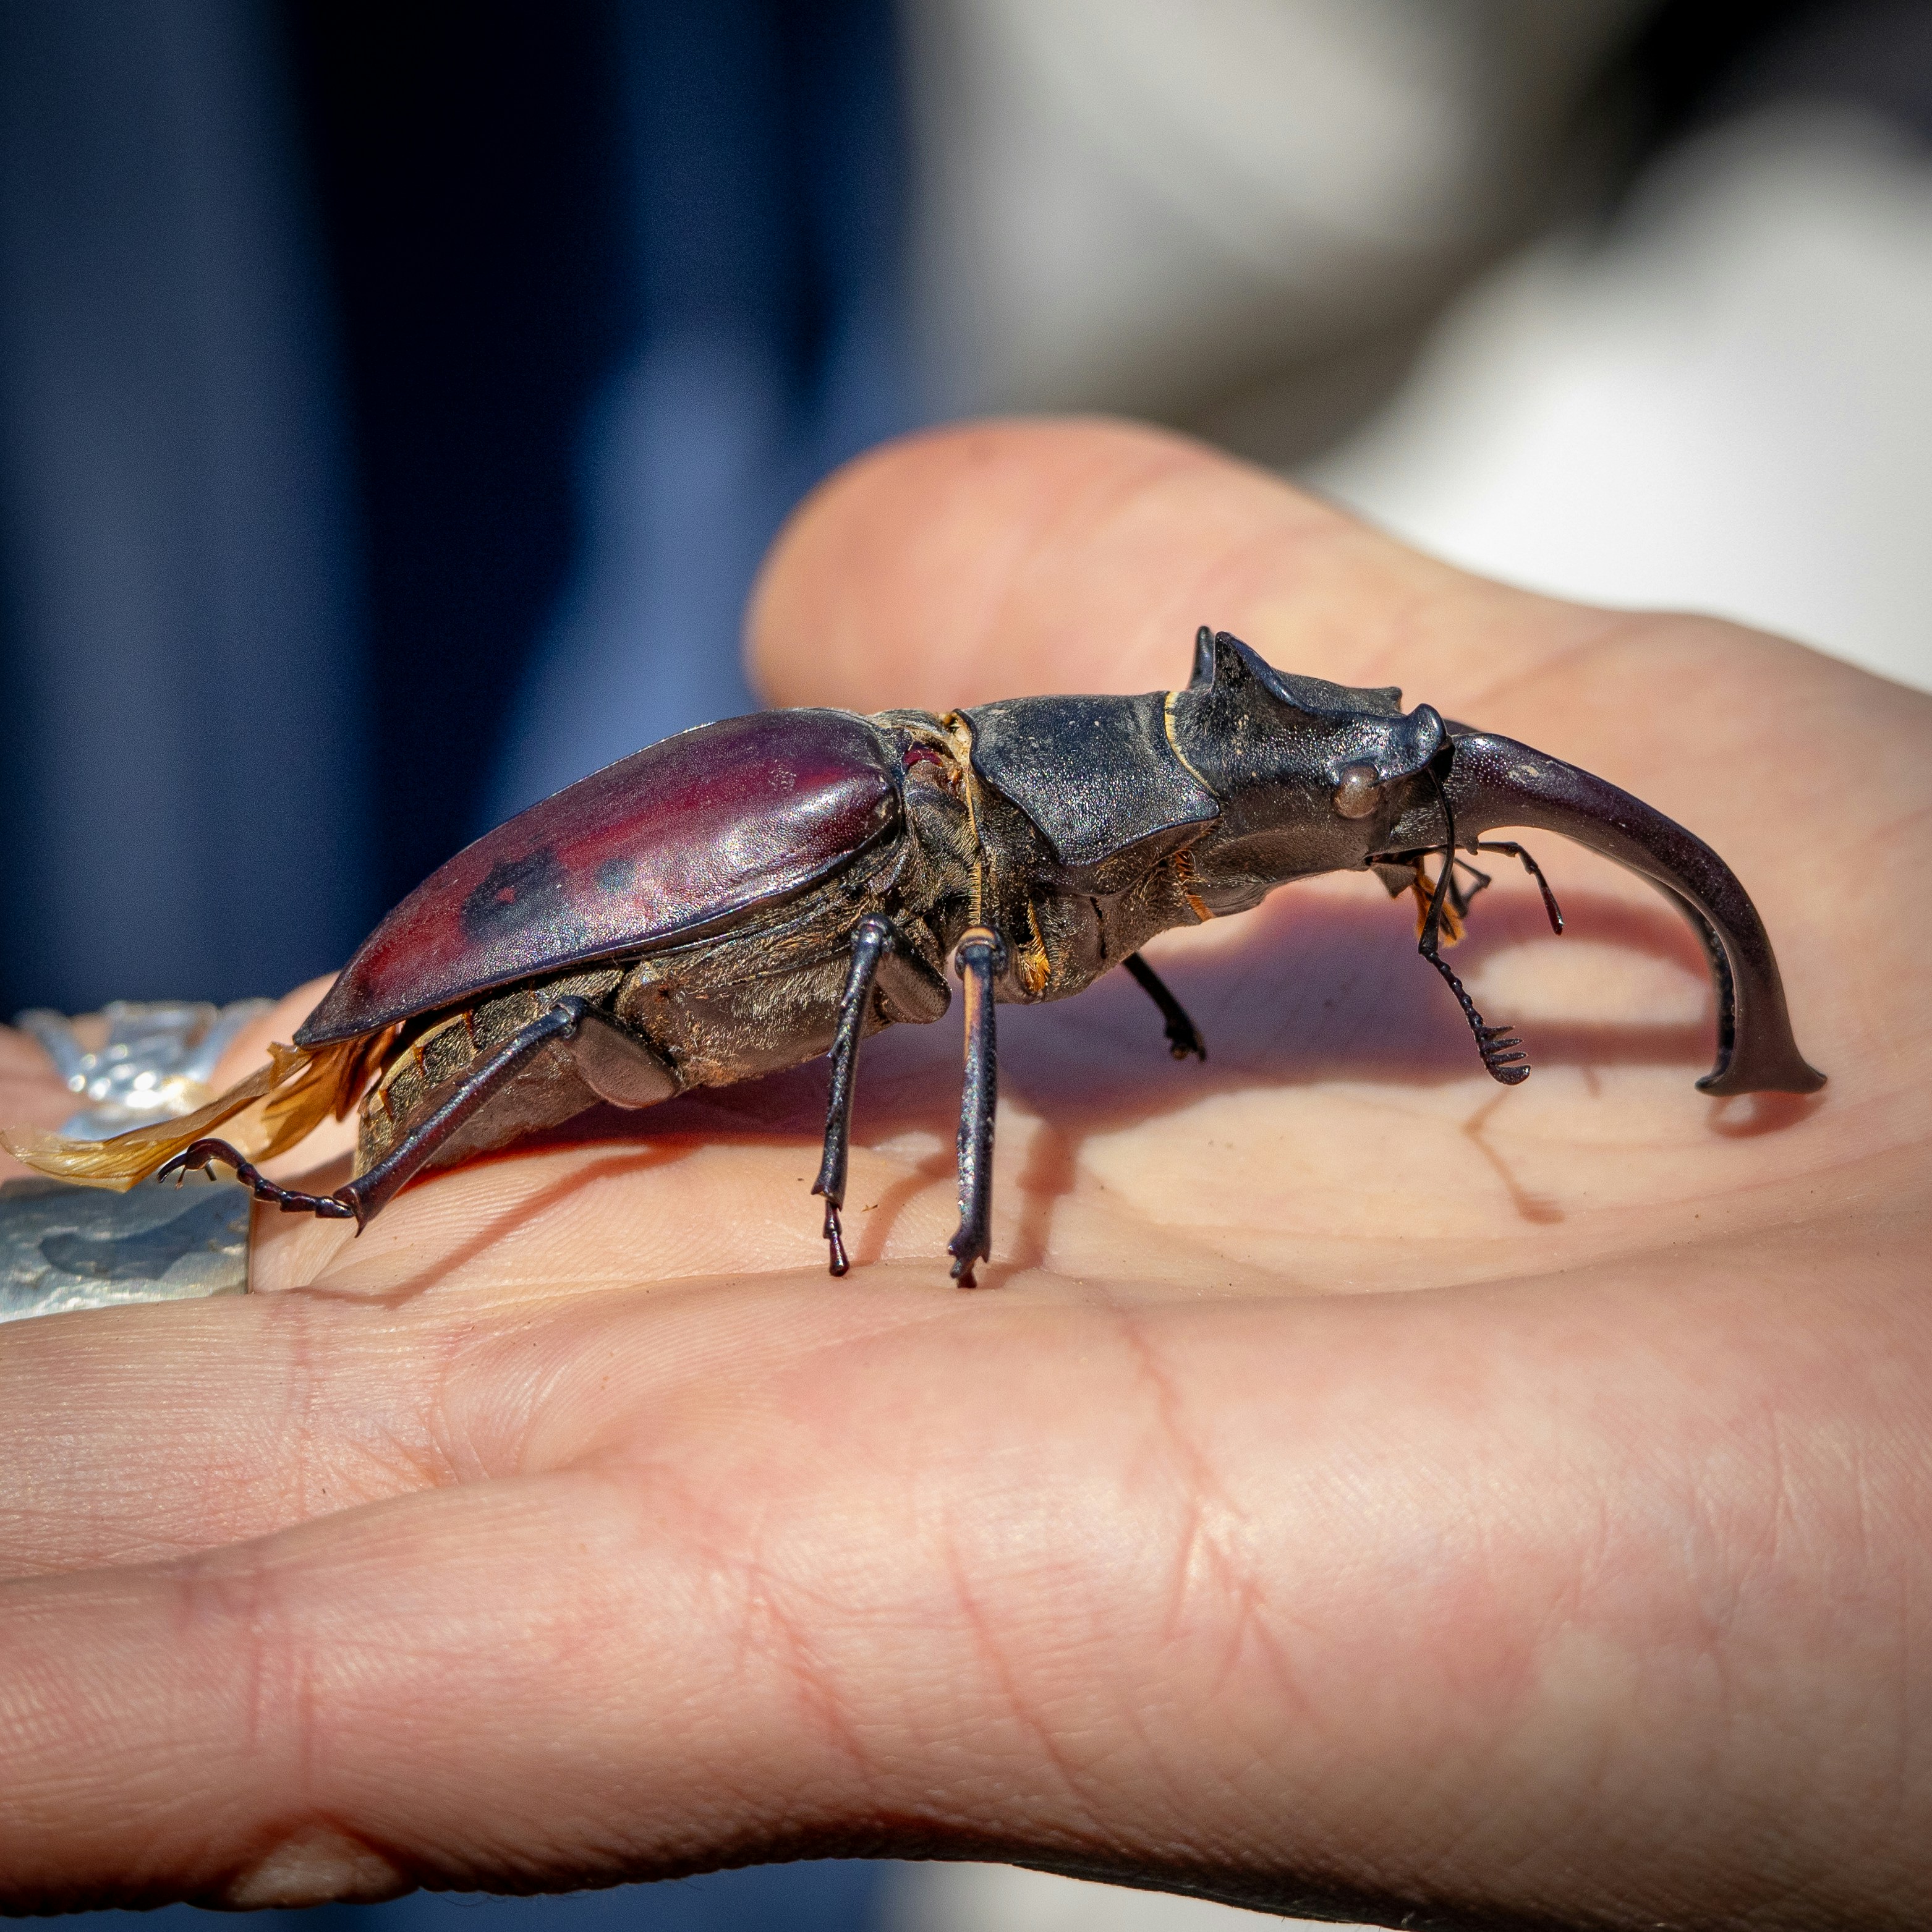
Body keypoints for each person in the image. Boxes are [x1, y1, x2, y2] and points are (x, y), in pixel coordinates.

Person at [2, 420, 1925, 1929]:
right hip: (528, 998)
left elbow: (1105, 891)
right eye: (1247, 830)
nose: (1266, 854)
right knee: (585, 1025)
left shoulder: (1031, 835)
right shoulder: (899, 828)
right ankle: (341, 1191)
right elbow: (927, 967)